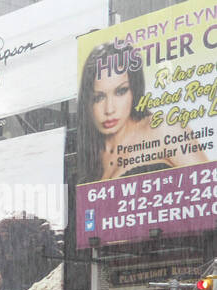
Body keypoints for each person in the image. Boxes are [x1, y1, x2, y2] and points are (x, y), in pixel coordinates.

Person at [78, 41, 210, 184]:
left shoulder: (163, 129)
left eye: (121, 91)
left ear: (135, 89)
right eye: (98, 97)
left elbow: (209, 190)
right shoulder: (91, 155)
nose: (109, 109)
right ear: (87, 102)